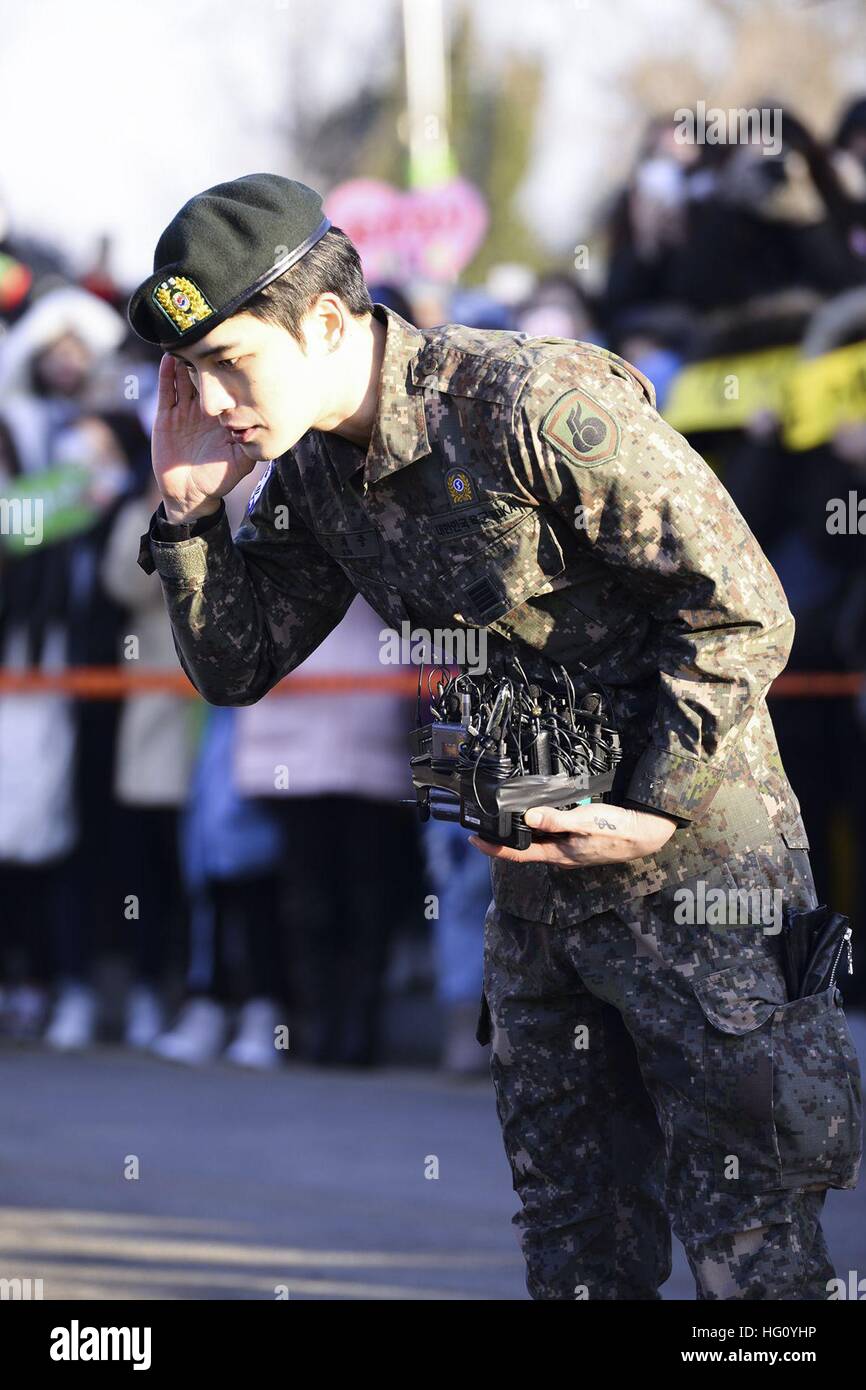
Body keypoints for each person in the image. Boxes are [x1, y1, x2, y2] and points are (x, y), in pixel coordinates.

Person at [128, 174, 862, 1301]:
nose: (218, 398)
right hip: (539, 892)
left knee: (751, 1263)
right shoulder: (318, 471)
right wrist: (186, 516)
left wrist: (653, 803)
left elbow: (740, 603)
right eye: (197, 373)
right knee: (574, 1257)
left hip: (703, 878)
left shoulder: (525, 401)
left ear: (326, 322)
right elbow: (236, 664)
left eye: (235, 360)